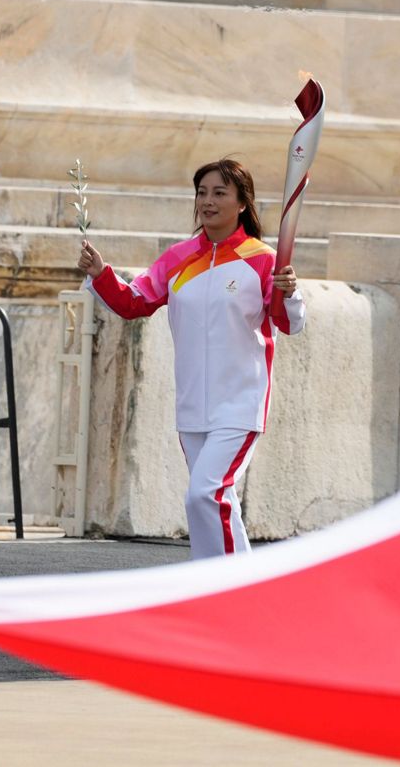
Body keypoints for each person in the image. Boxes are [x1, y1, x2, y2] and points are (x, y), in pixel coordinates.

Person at [79, 158, 306, 558]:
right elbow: (135, 303)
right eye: (202, 192)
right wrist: (101, 273)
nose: (208, 201)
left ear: (241, 203)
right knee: (211, 501)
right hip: (192, 406)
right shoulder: (179, 258)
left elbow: (287, 323)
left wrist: (289, 293)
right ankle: (217, 591)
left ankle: (236, 594)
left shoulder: (263, 260)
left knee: (206, 493)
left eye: (220, 193)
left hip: (239, 402)